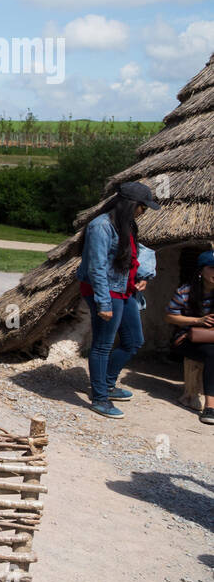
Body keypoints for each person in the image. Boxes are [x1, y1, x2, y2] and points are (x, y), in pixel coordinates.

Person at [75, 180, 161, 418]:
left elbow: (128, 258)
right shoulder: (100, 227)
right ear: (131, 204)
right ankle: (100, 398)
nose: (143, 211)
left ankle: (107, 385)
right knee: (103, 345)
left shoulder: (127, 225)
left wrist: (139, 277)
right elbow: (97, 268)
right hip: (104, 292)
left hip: (124, 289)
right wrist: (103, 303)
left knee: (133, 340)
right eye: (143, 206)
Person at [165, 249, 214, 425]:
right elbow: (170, 316)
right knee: (212, 353)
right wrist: (198, 320)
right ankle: (210, 407)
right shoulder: (186, 291)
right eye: (212, 268)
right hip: (186, 338)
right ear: (201, 270)